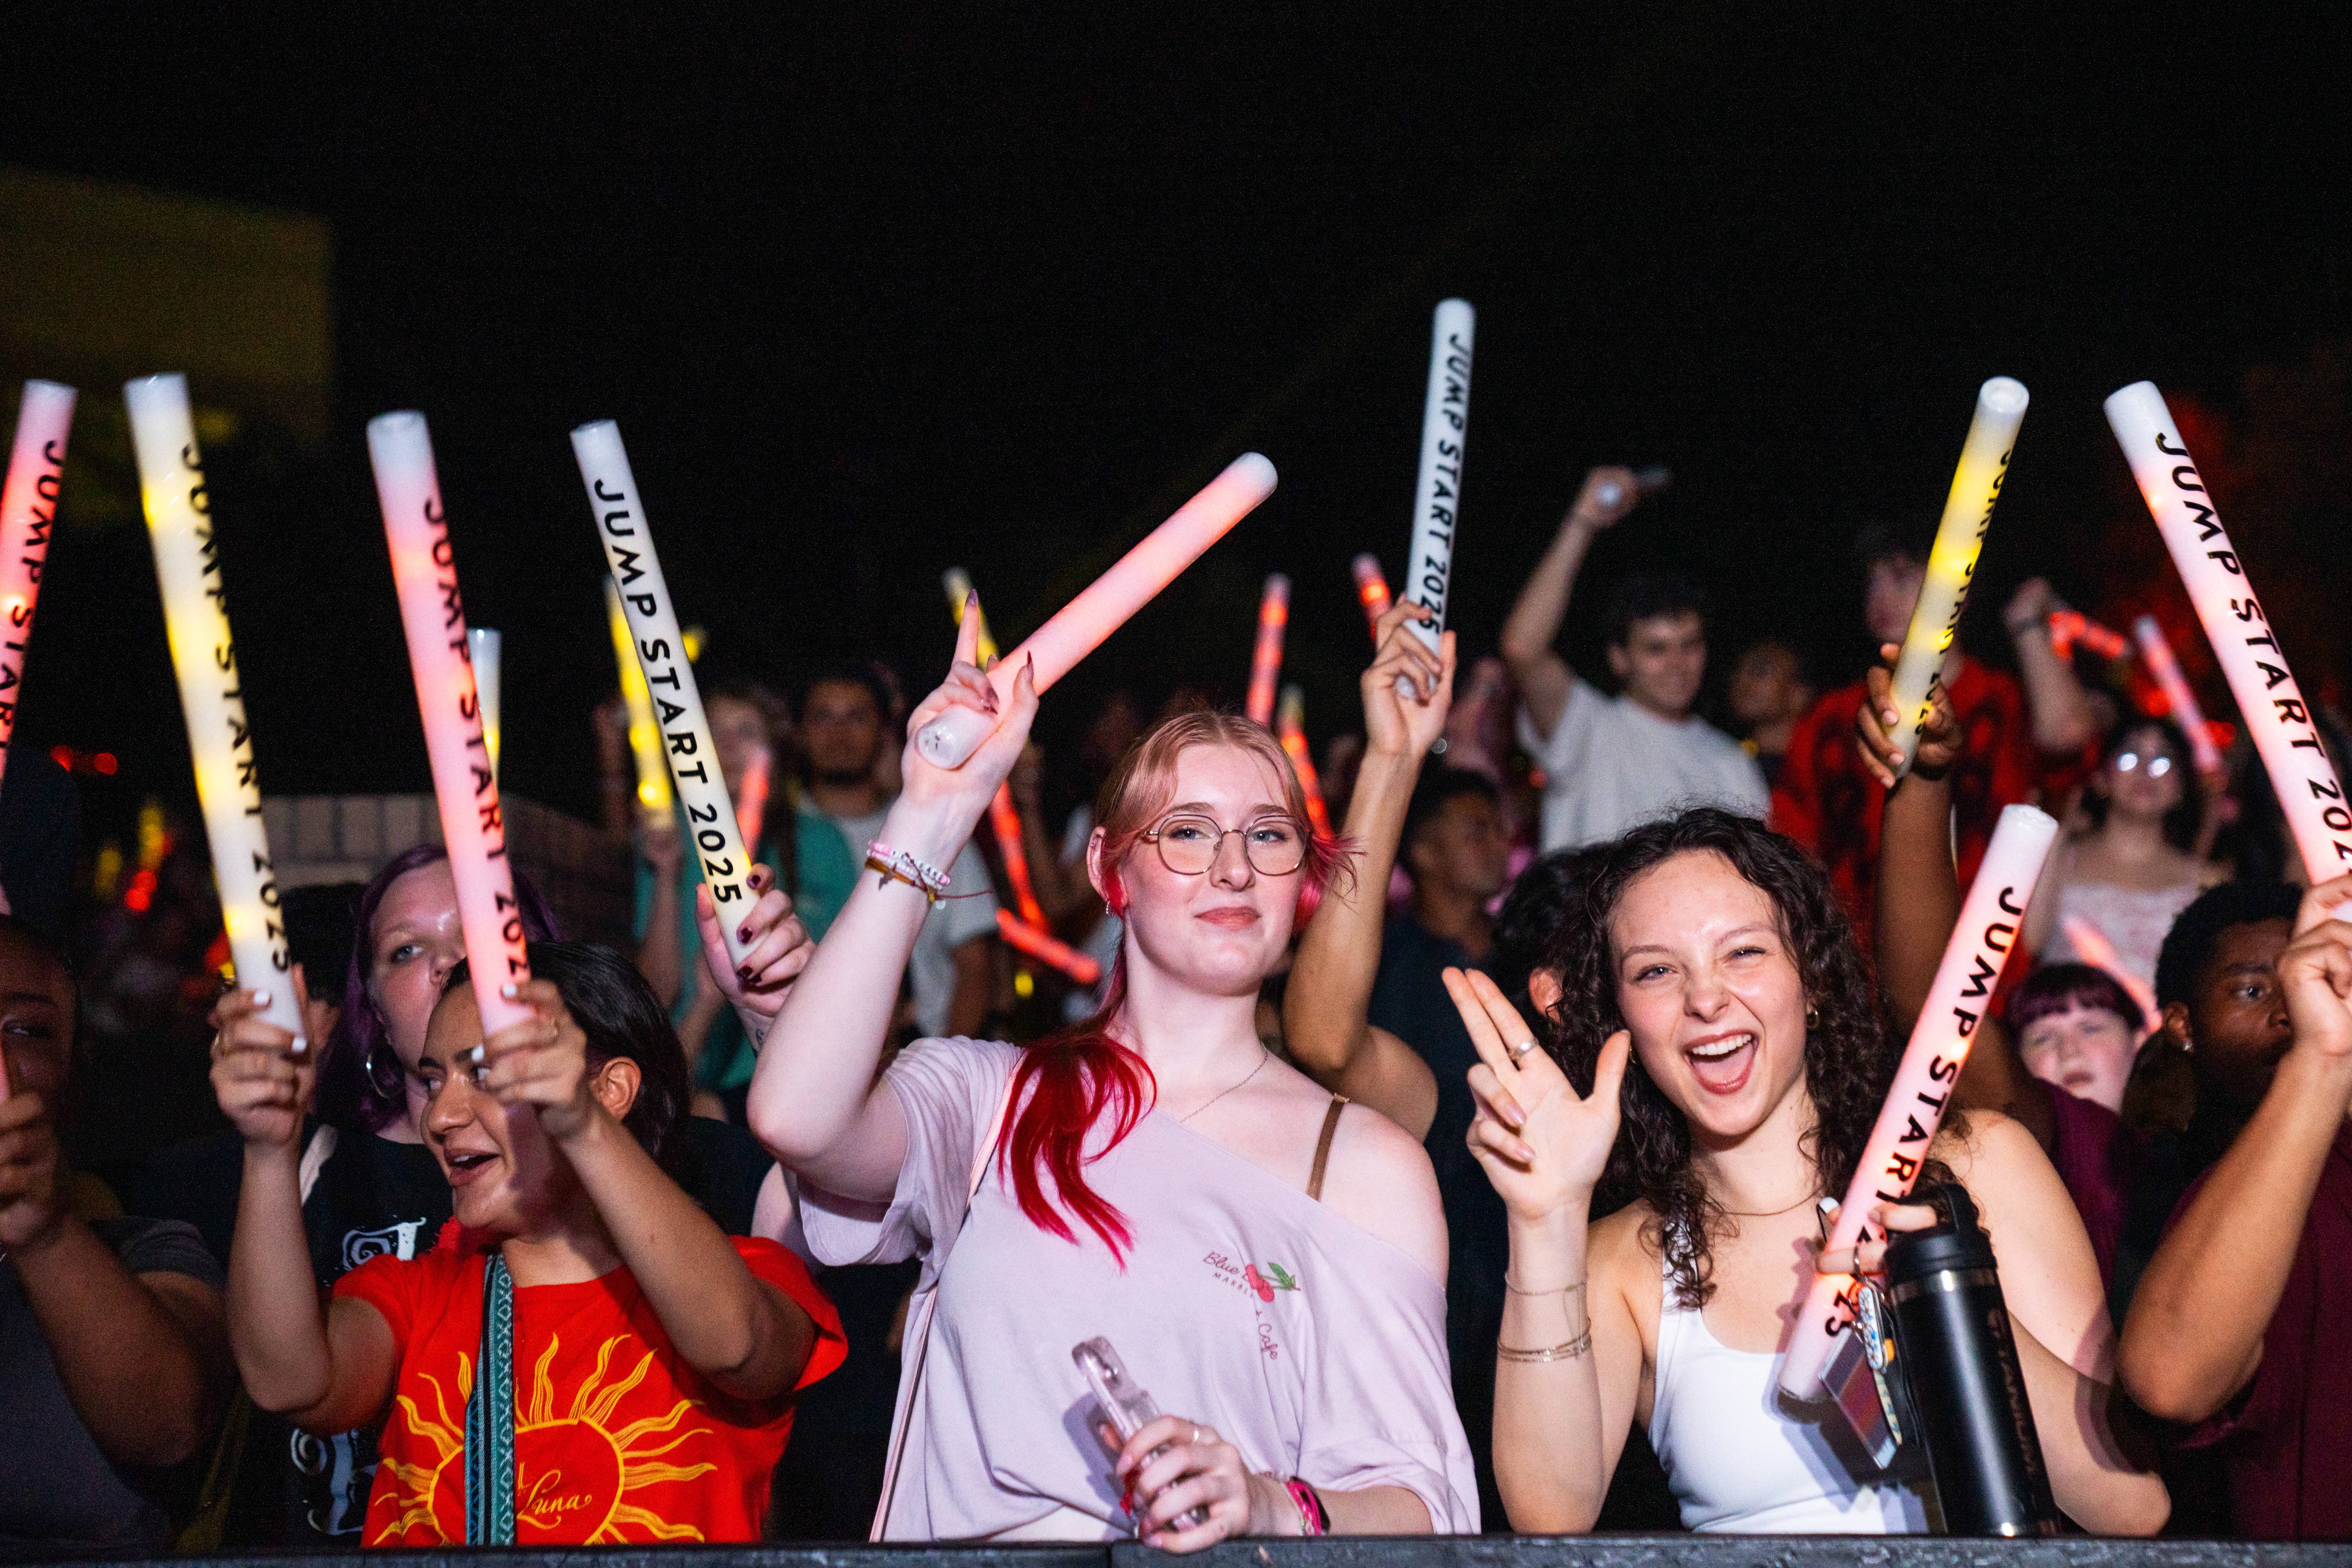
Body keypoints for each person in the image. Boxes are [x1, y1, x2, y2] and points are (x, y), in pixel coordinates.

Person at [751, 615, 1476, 1545]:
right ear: (1109, 869)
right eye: (1184, 831)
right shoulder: (994, 1101)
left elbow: (1426, 1506)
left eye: (1269, 835)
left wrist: (1266, 1502)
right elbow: (796, 1117)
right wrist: (933, 806)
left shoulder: (1363, 1161)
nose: (1233, 866)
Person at [1447, 807, 2166, 1534]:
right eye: (1657, 970)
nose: (1705, 999)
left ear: (1813, 979)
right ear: (1621, 1016)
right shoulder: (1621, 1262)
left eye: (1744, 953)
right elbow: (1548, 1516)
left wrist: (1944, 1299)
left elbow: (2132, 1508)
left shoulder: (1982, 1166)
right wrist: (1545, 1220)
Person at [136, 844, 800, 1545]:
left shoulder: (743, 1273)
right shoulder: (421, 1293)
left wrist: (580, 1124)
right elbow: (290, 1384)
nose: (440, 1117)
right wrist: (270, 1151)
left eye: (483, 1073)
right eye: (434, 1078)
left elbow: (735, 1347)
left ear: (609, 1091)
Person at [1861, 670, 2147, 1286]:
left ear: (2148, 1041)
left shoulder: (2188, 1153)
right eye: (2042, 1037)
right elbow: (1934, 1007)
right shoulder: (2064, 1142)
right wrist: (1927, 780)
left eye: (2093, 1025)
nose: (2069, 1046)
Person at [2118, 874, 2352, 1541]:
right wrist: (2324, 1056)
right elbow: (2170, 1381)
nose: (2291, 1013)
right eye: (2254, 991)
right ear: (2184, 1025)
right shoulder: (2260, 1205)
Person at [1, 915, 234, 1548]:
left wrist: (43, 1233)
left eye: (23, 1030)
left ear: (77, 1073)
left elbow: (169, 1426)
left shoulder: (151, 1254)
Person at [1771, 523, 2047, 936]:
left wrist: (2029, 625)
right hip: (1859, 957)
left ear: (1961, 591)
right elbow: (1793, 839)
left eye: (1901, 578)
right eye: (1873, 582)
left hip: (1983, 955)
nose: (1881, 596)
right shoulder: (1831, 716)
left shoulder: (2001, 699)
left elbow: (2069, 744)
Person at [1502, 466, 1767, 851]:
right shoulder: (1590, 728)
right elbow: (1522, 648)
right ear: (1619, 658)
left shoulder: (1732, 762)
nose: (1678, 664)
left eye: (1690, 645)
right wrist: (1584, 522)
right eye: (1656, 649)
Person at [792, 661, 997, 1039]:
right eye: (823, 717)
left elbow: (975, 964)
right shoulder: (780, 838)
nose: (839, 734)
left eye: (856, 717)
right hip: (813, 1060)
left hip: (924, 1054)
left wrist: (941, 1070)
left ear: (885, 731)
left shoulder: (936, 827)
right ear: (800, 733)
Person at [624, 681, 793, 1120]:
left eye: (746, 732)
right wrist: (666, 872)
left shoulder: (813, 838)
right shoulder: (667, 829)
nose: (728, 747)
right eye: (713, 732)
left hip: (780, 1071)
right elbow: (656, 992)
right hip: (682, 1061)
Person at [2024, 716, 2213, 988]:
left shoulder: (2205, 880)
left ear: (2181, 789)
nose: (2145, 771)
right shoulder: (2062, 859)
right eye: (2130, 757)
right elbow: (2030, 943)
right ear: (2102, 778)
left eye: (2163, 762)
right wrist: (2059, 830)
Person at [1724, 640, 1813, 790]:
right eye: (1738, 671)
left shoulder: (1823, 768)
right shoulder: (1731, 762)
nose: (1743, 680)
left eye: (1761, 670)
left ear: (1800, 692)